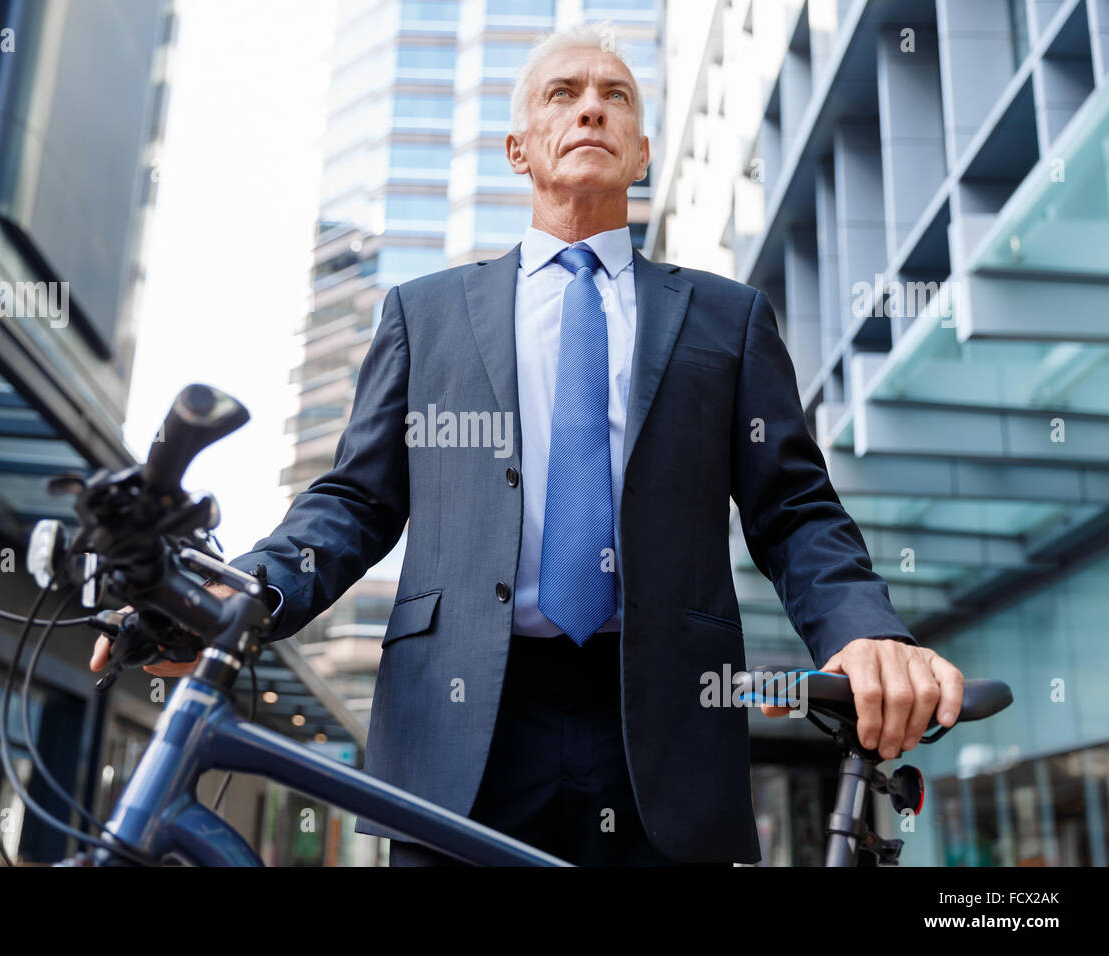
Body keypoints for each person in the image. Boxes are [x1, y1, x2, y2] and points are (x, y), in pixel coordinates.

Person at [92, 22, 964, 867]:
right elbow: (355, 503)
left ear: (644, 152)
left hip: (659, 718)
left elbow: (793, 509)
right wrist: (236, 597)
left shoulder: (725, 318)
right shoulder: (422, 315)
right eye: (565, 94)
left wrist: (864, 632)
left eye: (615, 96)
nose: (592, 109)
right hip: (463, 720)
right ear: (519, 149)